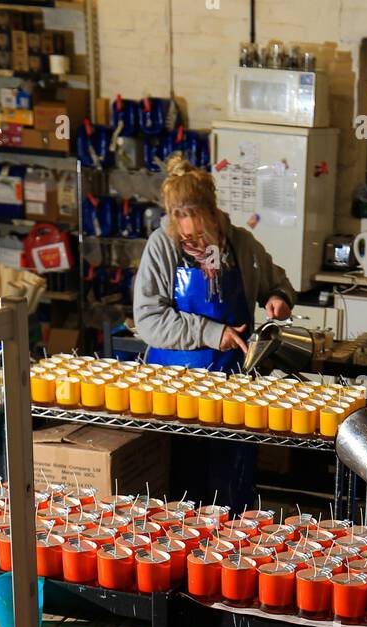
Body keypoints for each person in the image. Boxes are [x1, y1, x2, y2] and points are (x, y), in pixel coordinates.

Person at [133, 154, 296, 512]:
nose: (190, 234)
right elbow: (148, 320)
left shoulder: (242, 245)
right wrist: (210, 332)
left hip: (232, 386)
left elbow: (277, 281)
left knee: (229, 486)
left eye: (198, 226)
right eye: (182, 226)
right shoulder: (162, 247)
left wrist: (278, 298)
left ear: (213, 212)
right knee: (180, 489)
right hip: (174, 390)